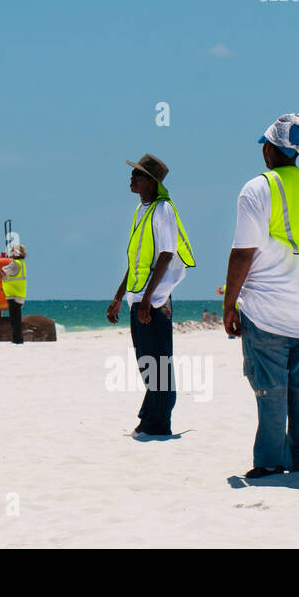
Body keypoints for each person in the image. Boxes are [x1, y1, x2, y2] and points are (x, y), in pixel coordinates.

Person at [222, 113, 299, 479]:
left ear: (270, 149)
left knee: (270, 386)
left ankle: (271, 462)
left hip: (267, 311)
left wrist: (229, 303)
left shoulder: (257, 189)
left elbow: (243, 252)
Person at [105, 153, 195, 437]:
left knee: (159, 363)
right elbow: (135, 263)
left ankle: (159, 423)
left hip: (153, 301)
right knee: (147, 362)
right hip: (139, 299)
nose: (132, 179)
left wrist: (147, 299)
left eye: (138, 175)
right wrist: (119, 296)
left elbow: (167, 254)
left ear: (152, 182)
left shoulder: (163, 209)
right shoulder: (141, 210)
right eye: (133, 174)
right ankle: (149, 417)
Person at [0, 243, 27, 344]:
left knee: (14, 321)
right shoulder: (21, 263)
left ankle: (17, 340)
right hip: (19, 295)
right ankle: (18, 339)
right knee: (16, 320)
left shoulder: (15, 263)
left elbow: (3, 271)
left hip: (14, 296)